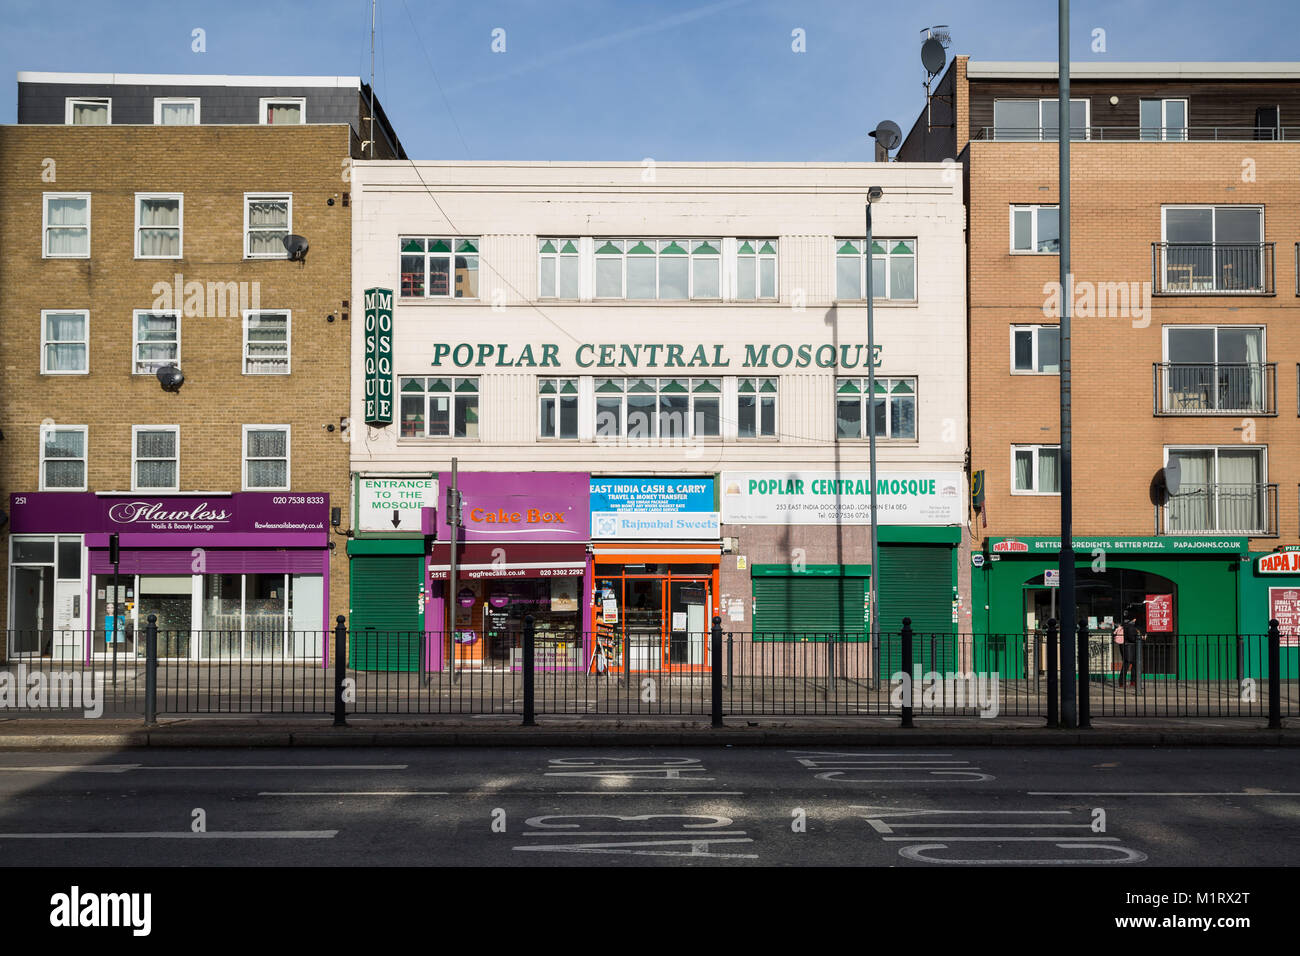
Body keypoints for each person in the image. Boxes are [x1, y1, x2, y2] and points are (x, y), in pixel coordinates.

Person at [1117, 613, 1142, 689]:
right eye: (1134, 619)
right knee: (1128, 664)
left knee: (1130, 664)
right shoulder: (1130, 627)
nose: (1135, 620)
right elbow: (1131, 637)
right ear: (1133, 619)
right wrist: (1139, 638)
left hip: (1127, 647)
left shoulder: (1125, 625)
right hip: (1129, 647)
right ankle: (1128, 682)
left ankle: (1127, 682)